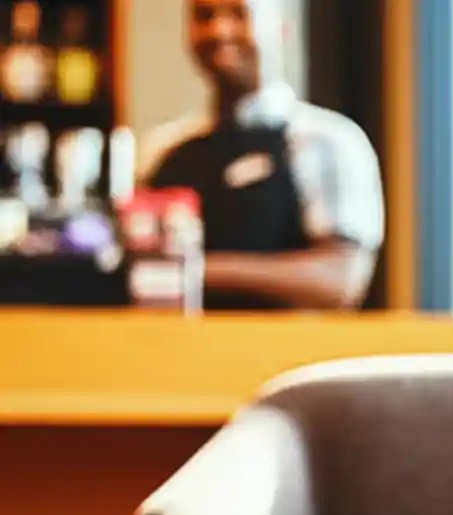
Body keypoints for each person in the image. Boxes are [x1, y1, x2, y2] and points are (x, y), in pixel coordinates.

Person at [136, 0, 383, 310]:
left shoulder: (328, 141)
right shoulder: (161, 149)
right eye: (204, 16)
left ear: (282, 29)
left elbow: (340, 281)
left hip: (285, 341)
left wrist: (196, 272)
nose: (219, 30)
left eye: (240, 14)